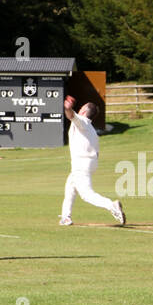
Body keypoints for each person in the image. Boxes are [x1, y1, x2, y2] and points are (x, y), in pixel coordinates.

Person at [59, 96, 124, 226]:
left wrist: (68, 107)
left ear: (84, 111)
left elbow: (71, 115)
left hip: (81, 163)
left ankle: (112, 206)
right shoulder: (91, 130)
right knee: (70, 187)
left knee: (86, 194)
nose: (80, 108)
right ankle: (66, 217)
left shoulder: (82, 121)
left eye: (82, 107)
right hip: (88, 163)